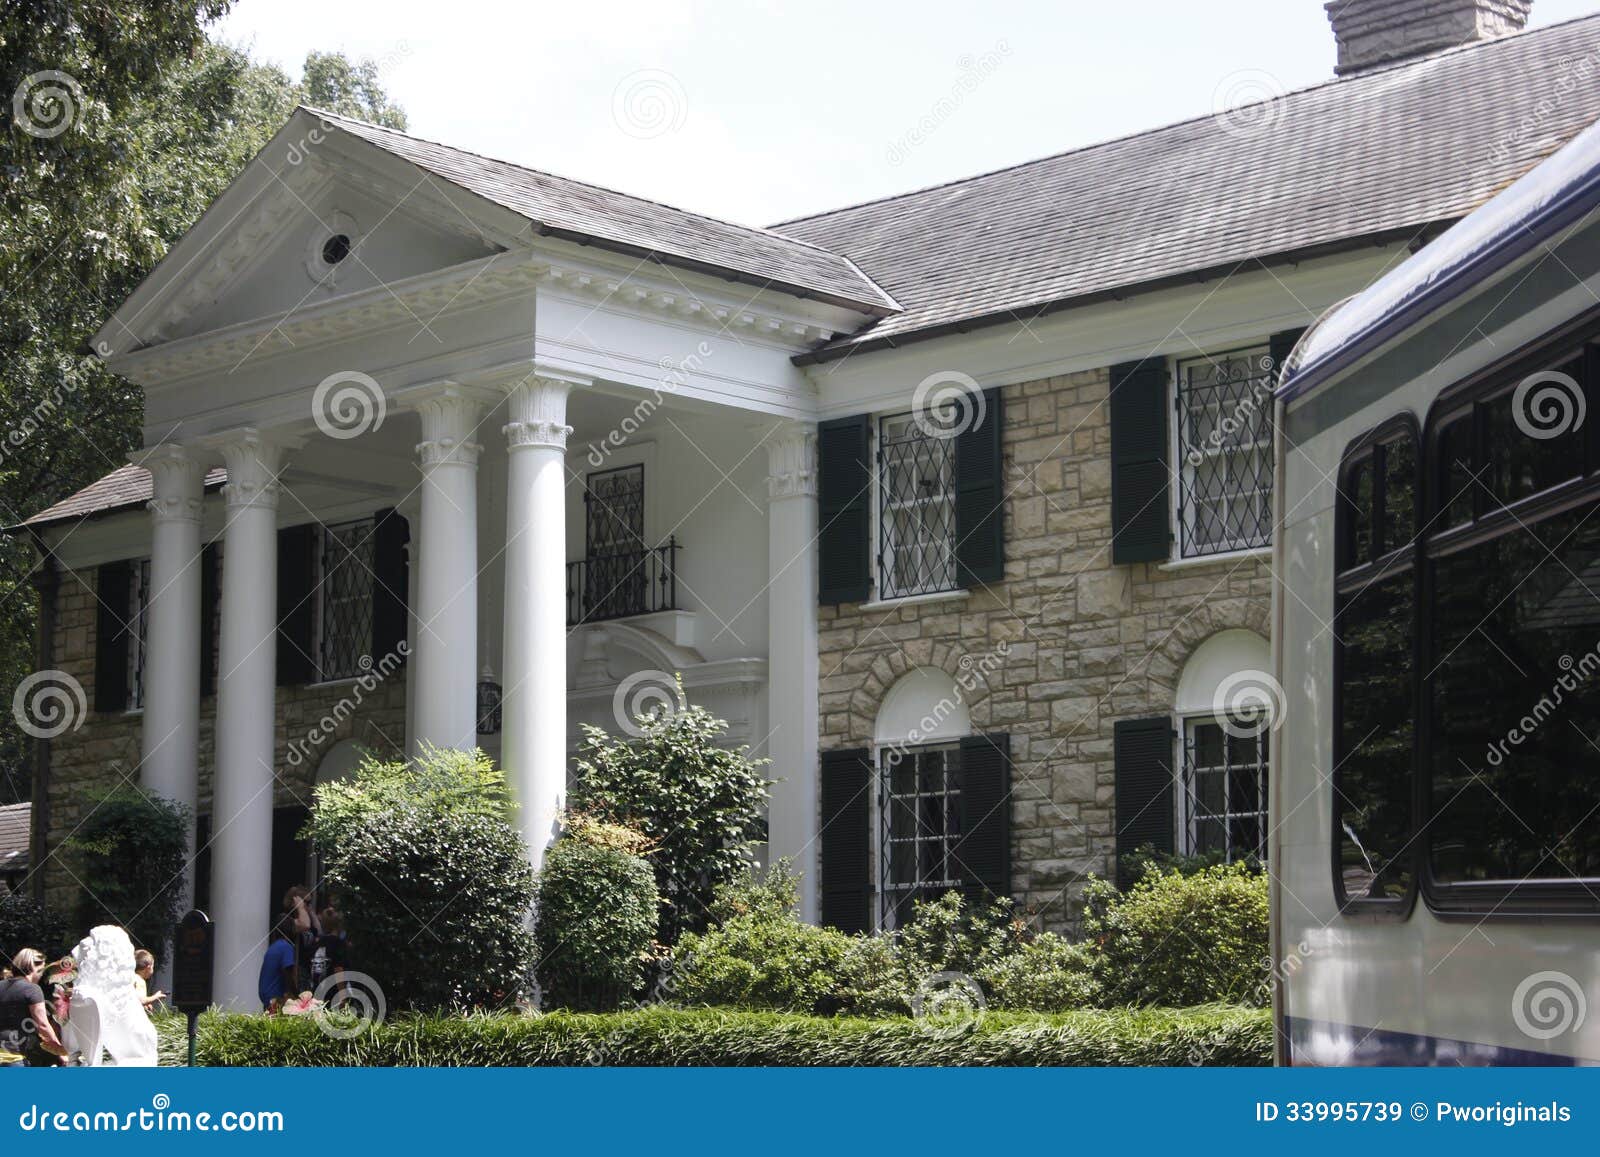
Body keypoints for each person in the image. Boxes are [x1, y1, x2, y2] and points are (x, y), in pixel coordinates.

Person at [0, 949, 67, 1066]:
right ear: (33, 968)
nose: (41, 975)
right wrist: (61, 1052)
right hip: (13, 1058)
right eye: (41, 970)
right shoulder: (32, 989)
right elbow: (42, 1025)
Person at [257, 917, 298, 1012]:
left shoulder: (273, 947)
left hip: (267, 996)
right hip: (276, 998)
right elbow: (287, 972)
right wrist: (295, 995)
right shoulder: (286, 947)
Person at [305, 908, 349, 993]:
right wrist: (343, 996)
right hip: (332, 993)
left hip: (316, 991)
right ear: (339, 925)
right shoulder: (338, 944)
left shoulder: (316, 943)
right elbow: (338, 969)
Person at [132, 949, 165, 1013]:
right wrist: (155, 997)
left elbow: (134, 1000)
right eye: (153, 967)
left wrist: (146, 1004)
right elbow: (140, 1000)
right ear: (148, 968)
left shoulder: (131, 977)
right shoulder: (140, 981)